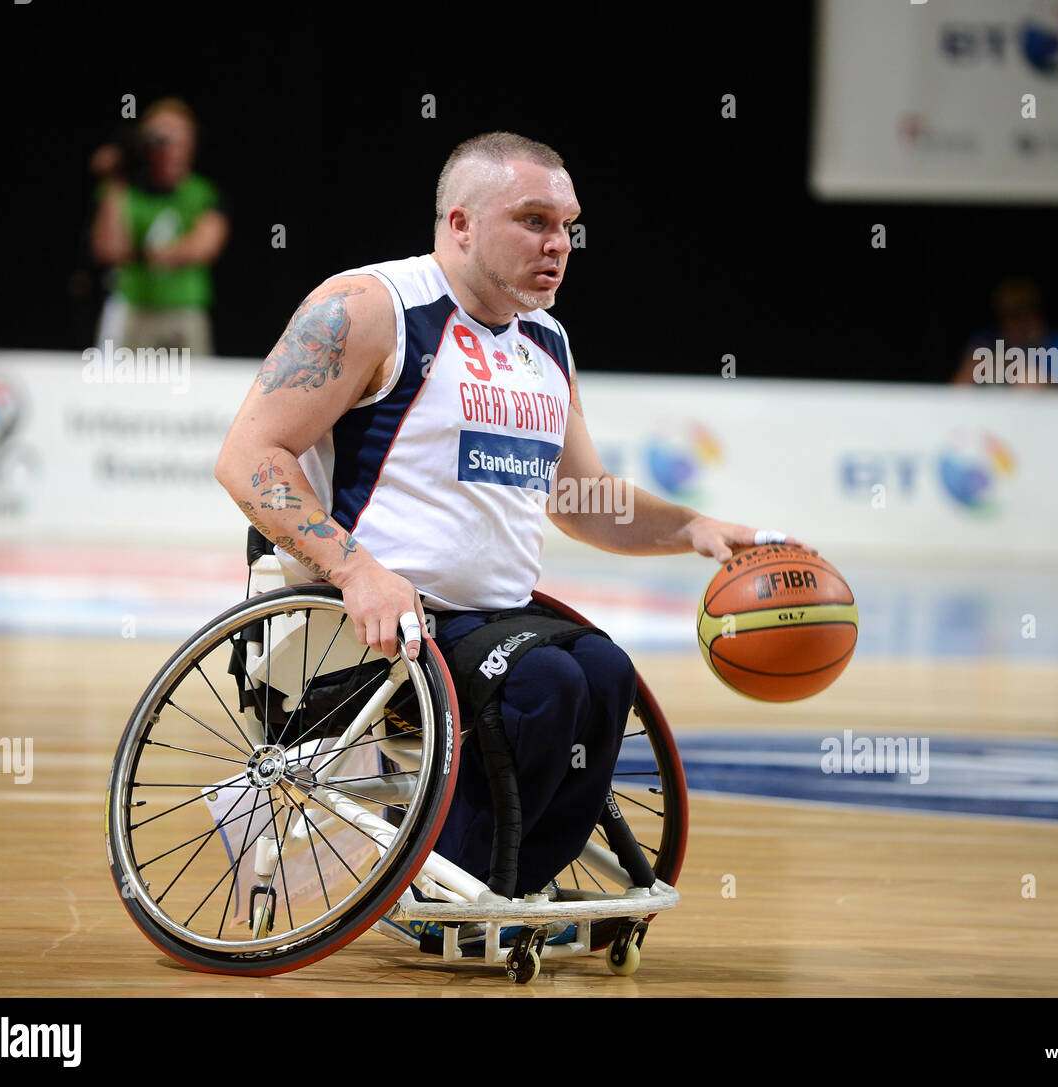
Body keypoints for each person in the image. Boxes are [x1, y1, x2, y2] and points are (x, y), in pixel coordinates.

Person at [214, 131, 802, 905]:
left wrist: (692, 528)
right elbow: (248, 456)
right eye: (533, 221)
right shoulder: (369, 308)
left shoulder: (546, 341)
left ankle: (512, 884)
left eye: (567, 225)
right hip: (367, 624)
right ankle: (453, 888)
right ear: (460, 223)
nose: (559, 243)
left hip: (489, 624)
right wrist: (357, 570)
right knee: (545, 684)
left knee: (604, 671)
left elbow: (581, 496)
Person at [89, 98, 229, 354]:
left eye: (180, 139)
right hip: (134, 308)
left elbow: (203, 248)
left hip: (185, 311)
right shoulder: (123, 192)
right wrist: (114, 178)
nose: (171, 149)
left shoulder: (203, 193)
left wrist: (141, 255)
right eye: (161, 139)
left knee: (195, 387)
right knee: (124, 386)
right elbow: (108, 249)